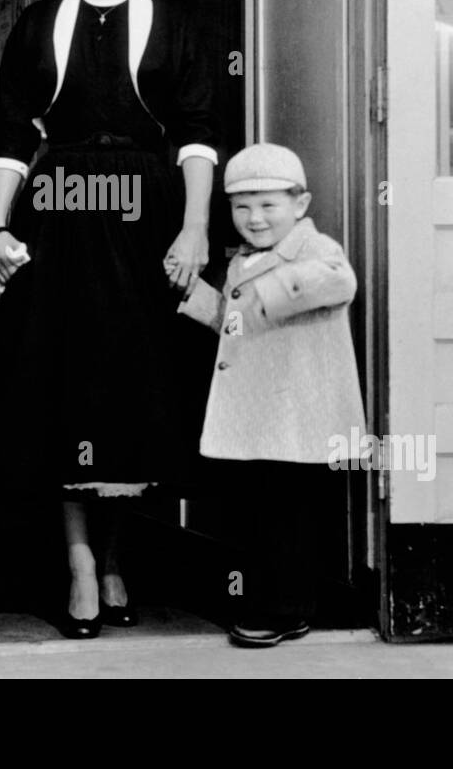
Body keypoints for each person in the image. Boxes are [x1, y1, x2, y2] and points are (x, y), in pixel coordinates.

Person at [0, 0, 219, 638]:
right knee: (64, 383)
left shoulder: (176, 27)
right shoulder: (36, 26)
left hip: (146, 215)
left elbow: (195, 137)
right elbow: (12, 138)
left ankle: (116, 556)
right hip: (61, 212)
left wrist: (193, 228)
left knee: (135, 387)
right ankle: (81, 564)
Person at [176, 143, 365, 647]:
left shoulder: (312, 248)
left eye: (268, 205)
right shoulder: (244, 260)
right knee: (264, 514)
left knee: (291, 516)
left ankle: (284, 609)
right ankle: (280, 603)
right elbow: (238, 323)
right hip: (264, 412)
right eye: (241, 206)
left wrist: (274, 288)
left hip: (299, 410)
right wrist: (195, 297)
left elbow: (339, 280)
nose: (254, 218)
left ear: (300, 205)